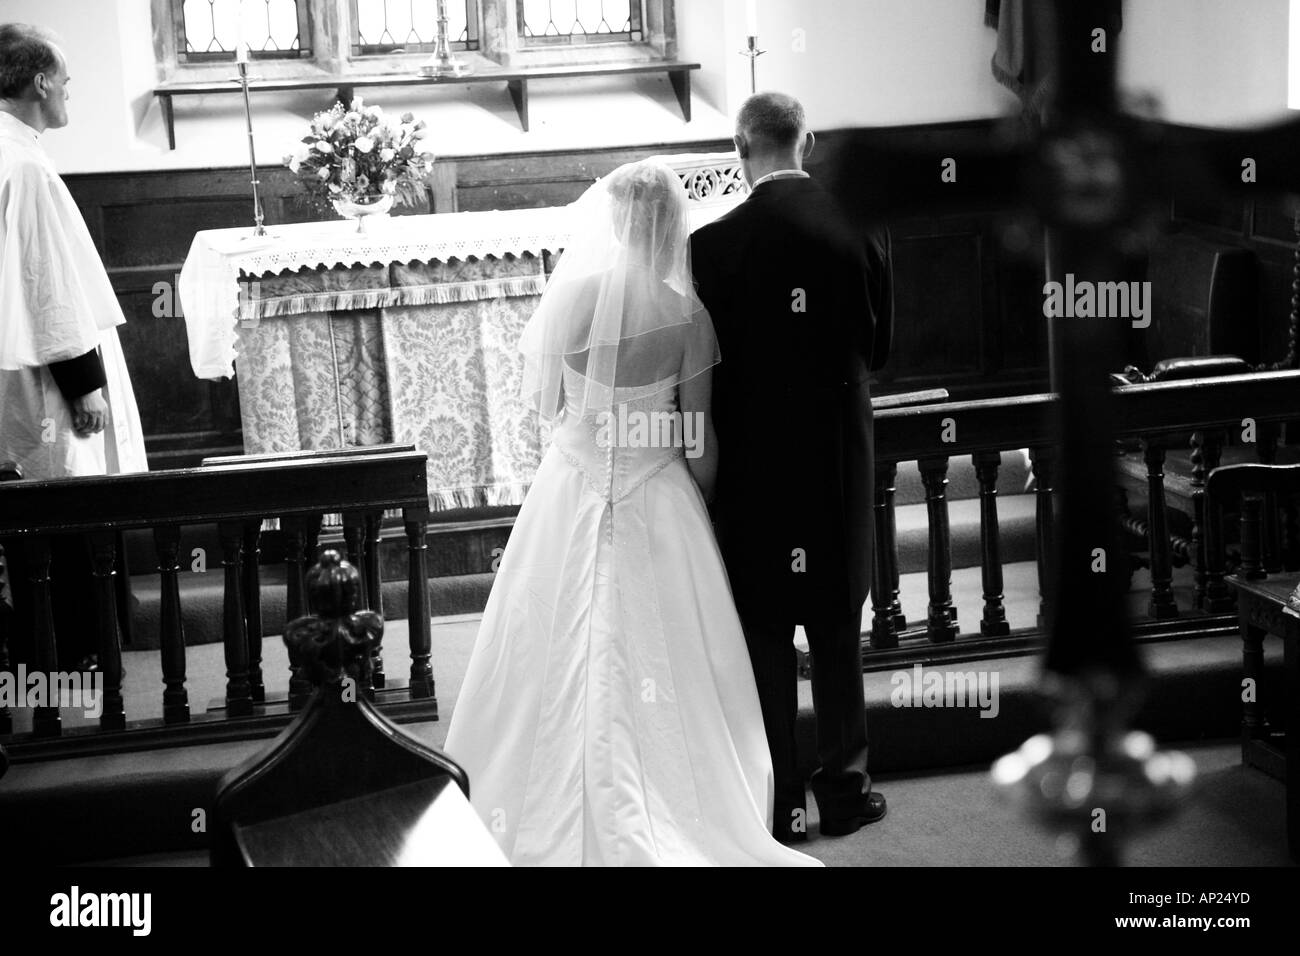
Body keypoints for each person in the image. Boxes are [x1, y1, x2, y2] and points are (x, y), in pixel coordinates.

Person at [443, 159, 820, 866]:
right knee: (673, 655)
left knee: (539, 649)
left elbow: (552, 407)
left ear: (612, 223)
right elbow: (699, 440)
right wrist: (695, 503)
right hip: (659, 491)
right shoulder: (688, 317)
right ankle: (679, 812)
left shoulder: (572, 299)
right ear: (674, 224)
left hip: (571, 484)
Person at [690, 92, 894, 842]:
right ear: (804, 141)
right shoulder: (860, 230)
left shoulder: (711, 248)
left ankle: (779, 806)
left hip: (755, 470)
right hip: (835, 460)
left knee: (767, 636)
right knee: (838, 626)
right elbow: (878, 350)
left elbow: (702, 376)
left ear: (740, 149)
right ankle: (844, 792)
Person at [0, 24, 147, 667]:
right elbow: (46, 285)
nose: (67, 93)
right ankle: (78, 657)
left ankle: (48, 656)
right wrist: (85, 383)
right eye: (63, 81)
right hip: (47, 380)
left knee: (39, 515)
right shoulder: (26, 166)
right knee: (68, 509)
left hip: (17, 369)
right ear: (38, 82)